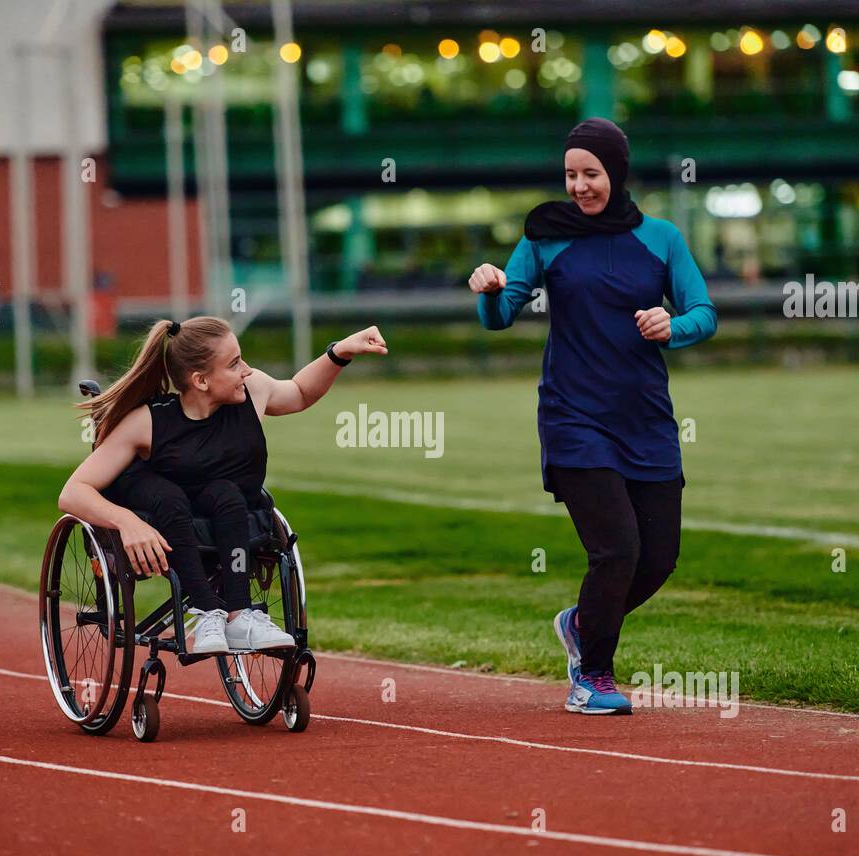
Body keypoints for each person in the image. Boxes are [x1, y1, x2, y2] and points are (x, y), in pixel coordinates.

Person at [468, 118, 717, 715]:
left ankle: (581, 622)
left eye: (591, 174)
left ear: (617, 173)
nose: (579, 186)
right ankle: (593, 677)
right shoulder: (545, 234)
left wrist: (673, 325)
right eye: (570, 175)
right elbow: (501, 316)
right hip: (573, 417)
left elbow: (704, 313)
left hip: (647, 420)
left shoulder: (662, 238)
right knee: (617, 550)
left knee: (658, 559)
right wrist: (490, 290)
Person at [58, 317, 388, 654]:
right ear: (200, 380)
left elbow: (301, 392)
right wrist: (126, 522)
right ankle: (207, 612)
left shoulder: (252, 392)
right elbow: (73, 492)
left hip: (216, 503)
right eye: (234, 364)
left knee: (229, 496)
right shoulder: (148, 422)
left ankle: (239, 615)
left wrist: (340, 352)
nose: (247, 370)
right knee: (171, 499)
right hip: (159, 502)